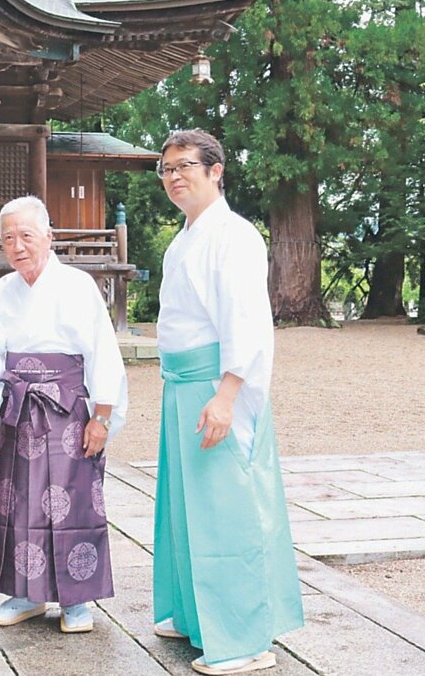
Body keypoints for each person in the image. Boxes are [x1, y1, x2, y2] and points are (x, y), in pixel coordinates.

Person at [151, 129, 304, 675]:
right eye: (166, 168)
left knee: (227, 512)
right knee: (189, 511)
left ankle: (244, 637)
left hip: (217, 385)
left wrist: (227, 396)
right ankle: (196, 615)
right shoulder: (183, 239)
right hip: (182, 384)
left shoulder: (235, 235)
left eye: (184, 166)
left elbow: (247, 323)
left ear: (216, 171)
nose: (173, 177)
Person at [0, 196, 128, 635]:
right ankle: (25, 593)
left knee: (75, 503)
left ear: (49, 237)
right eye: (8, 238)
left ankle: (78, 599)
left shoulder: (78, 286)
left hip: (71, 408)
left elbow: (104, 355)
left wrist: (102, 418)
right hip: (20, 409)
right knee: (20, 503)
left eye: (27, 235)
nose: (18, 246)